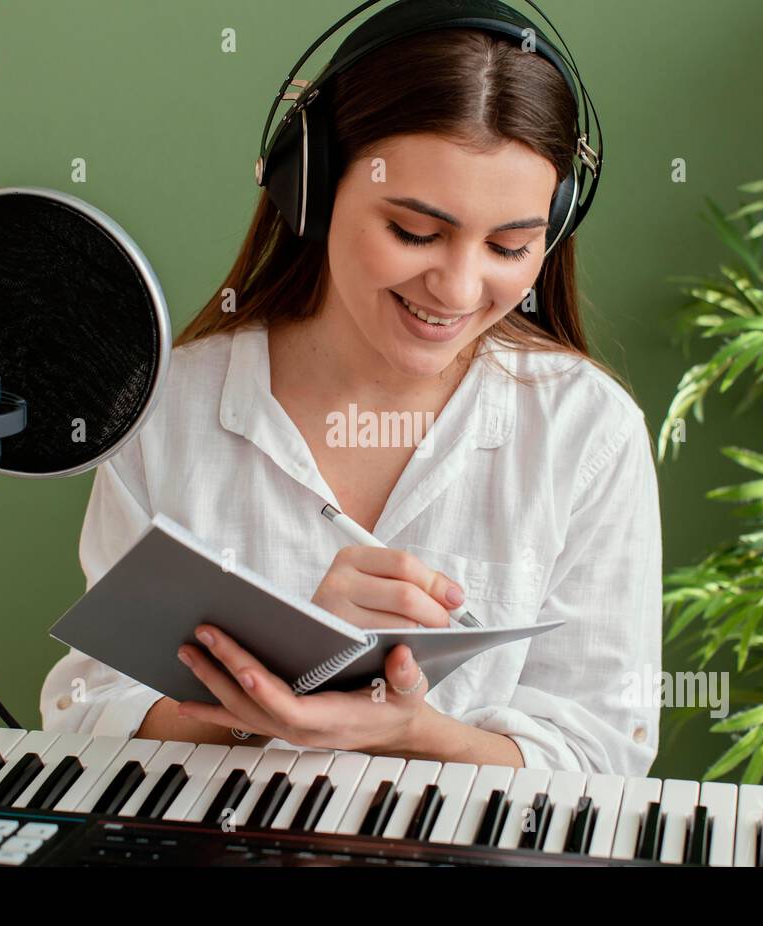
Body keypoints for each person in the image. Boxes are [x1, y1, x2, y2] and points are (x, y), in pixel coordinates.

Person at [40, 22, 662, 775]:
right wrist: (269, 687)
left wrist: (410, 731)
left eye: (508, 248)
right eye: (413, 230)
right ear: (313, 189)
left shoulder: (587, 432)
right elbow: (82, 719)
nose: (459, 289)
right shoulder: (166, 409)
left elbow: (604, 762)